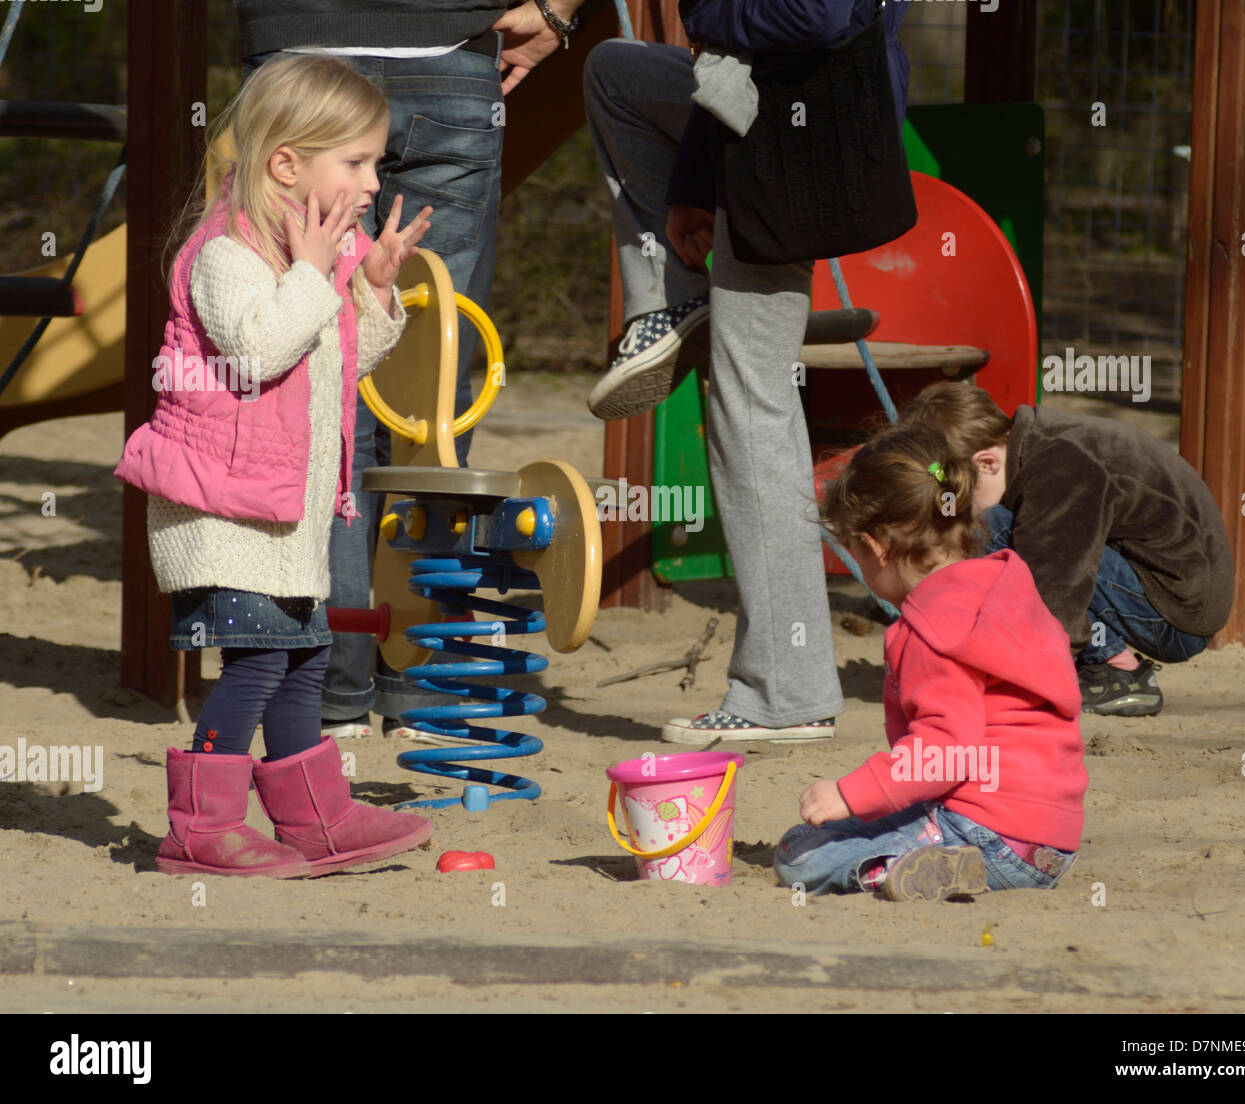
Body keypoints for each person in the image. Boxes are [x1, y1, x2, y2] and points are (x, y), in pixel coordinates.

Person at [114, 55, 436, 878]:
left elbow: (331, 368)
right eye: (356, 161)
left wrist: (369, 290)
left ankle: (315, 819)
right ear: (286, 164)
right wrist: (314, 273)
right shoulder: (227, 254)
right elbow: (259, 351)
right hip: (222, 511)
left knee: (305, 656)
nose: (373, 182)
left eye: (375, 161)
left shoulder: (312, 260)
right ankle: (201, 827)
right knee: (257, 658)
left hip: (283, 512)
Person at [234, 0, 586, 741]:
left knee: (322, 386)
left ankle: (333, 684)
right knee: (434, 392)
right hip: (448, 46)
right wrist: (559, 7)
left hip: (300, 53)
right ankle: (422, 681)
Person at [583, 0, 911, 744]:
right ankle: (676, 303)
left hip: (809, 138)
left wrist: (701, 8)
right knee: (618, 70)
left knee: (752, 406)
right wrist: (694, 181)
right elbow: (731, 62)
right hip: (771, 118)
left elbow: (816, 16)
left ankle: (781, 690)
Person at [772, 423, 1088, 900]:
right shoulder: (1006, 589)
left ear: (875, 546)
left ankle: (899, 869)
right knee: (847, 829)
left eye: (854, 551)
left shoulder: (930, 627)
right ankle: (941, 859)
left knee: (802, 856)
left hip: (983, 830)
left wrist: (850, 794)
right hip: (1049, 844)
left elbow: (943, 752)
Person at [901, 381, 1234, 716]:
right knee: (1025, 535)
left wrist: (1042, 674)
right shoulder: (1041, 443)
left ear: (987, 463)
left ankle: (1116, 671)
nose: (959, 508)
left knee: (996, 527)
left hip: (1176, 611)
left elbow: (1058, 585)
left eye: (961, 498)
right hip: (1170, 585)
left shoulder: (1059, 468)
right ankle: (1103, 660)